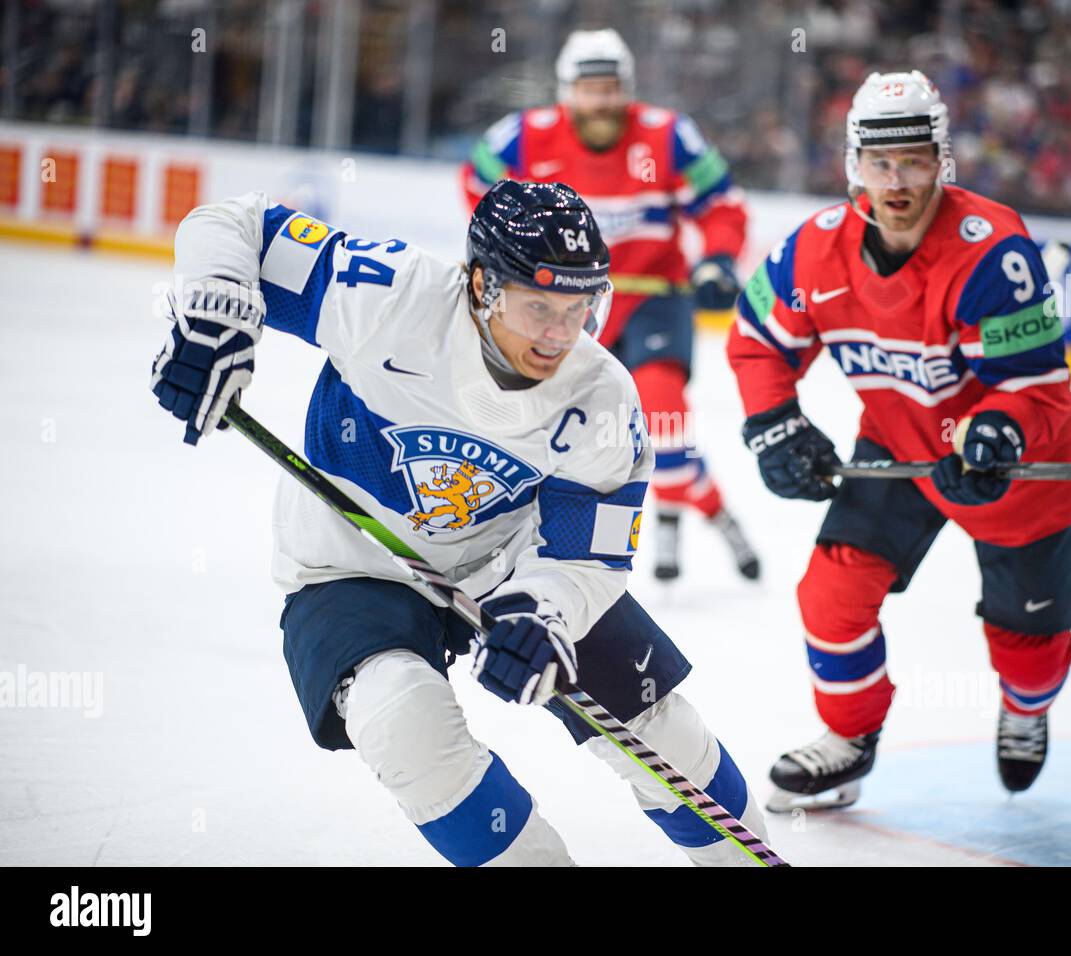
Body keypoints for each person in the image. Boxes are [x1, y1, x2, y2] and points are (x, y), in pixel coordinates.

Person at [149, 179, 768, 865]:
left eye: (579, 307)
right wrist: (214, 319)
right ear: (481, 284)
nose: (561, 334)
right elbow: (232, 222)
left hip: (503, 564)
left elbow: (587, 558)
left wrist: (543, 614)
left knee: (655, 728)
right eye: (538, 306)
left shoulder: (602, 398)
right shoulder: (386, 297)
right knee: (401, 720)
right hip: (351, 564)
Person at [726, 71, 1071, 810]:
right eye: (881, 162)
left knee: (1028, 650)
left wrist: (997, 434)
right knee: (830, 595)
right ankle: (849, 739)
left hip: (1021, 470)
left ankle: (1026, 709)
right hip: (897, 447)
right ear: (853, 162)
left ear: (942, 160)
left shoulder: (994, 249)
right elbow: (757, 339)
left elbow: (1038, 386)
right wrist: (774, 424)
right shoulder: (813, 251)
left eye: (915, 160)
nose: (897, 181)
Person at [462, 28, 760, 582]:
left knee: (664, 410)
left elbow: (722, 204)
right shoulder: (522, 138)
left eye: (611, 87)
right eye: (589, 88)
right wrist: (508, 251)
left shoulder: (669, 137)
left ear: (628, 88)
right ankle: (712, 511)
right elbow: (478, 187)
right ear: (565, 91)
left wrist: (718, 259)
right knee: (575, 434)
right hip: (563, 305)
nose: (601, 100)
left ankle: (677, 511)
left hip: (652, 295)